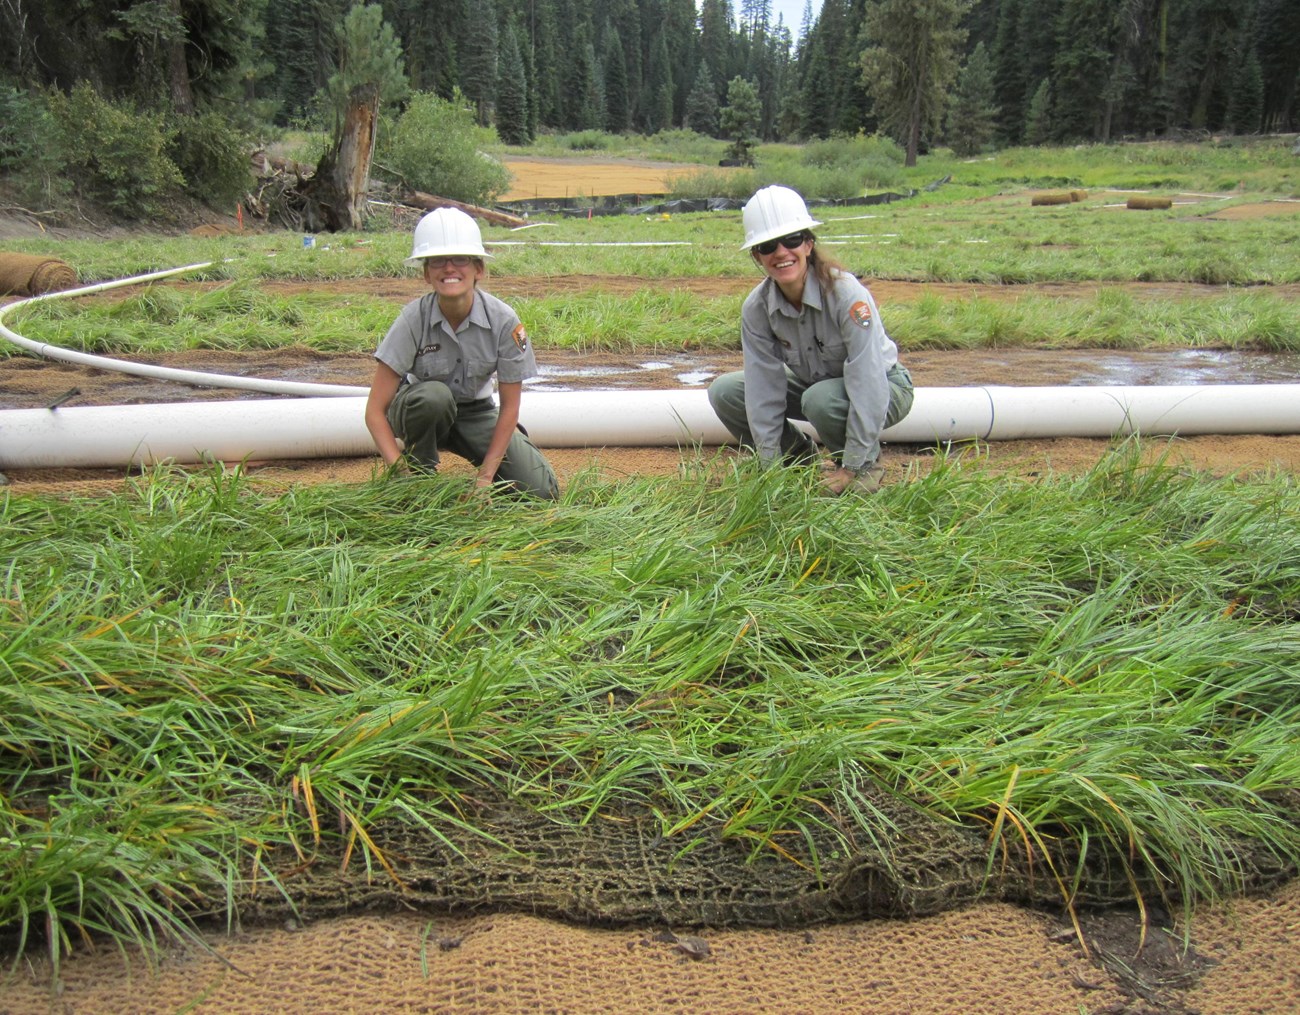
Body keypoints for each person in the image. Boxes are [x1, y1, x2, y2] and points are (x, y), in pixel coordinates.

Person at [707, 185, 914, 495]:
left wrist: (853, 465)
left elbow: (868, 380)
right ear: (757, 255)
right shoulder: (757, 308)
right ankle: (795, 460)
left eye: (791, 239)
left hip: (884, 386)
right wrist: (770, 466)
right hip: (816, 386)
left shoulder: (846, 295)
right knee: (726, 392)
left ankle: (862, 468)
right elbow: (762, 388)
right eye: (768, 245)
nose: (781, 252)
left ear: (808, 244)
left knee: (820, 399)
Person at [365, 207, 559, 499]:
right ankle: (420, 474)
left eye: (460, 259)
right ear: (426, 273)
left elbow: (509, 408)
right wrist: (399, 474)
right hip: (421, 412)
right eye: (437, 261)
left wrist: (485, 479)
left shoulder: (504, 321)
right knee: (434, 397)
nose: (449, 268)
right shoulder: (412, 319)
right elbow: (374, 411)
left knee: (541, 491)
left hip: (477, 413)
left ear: (479, 269)